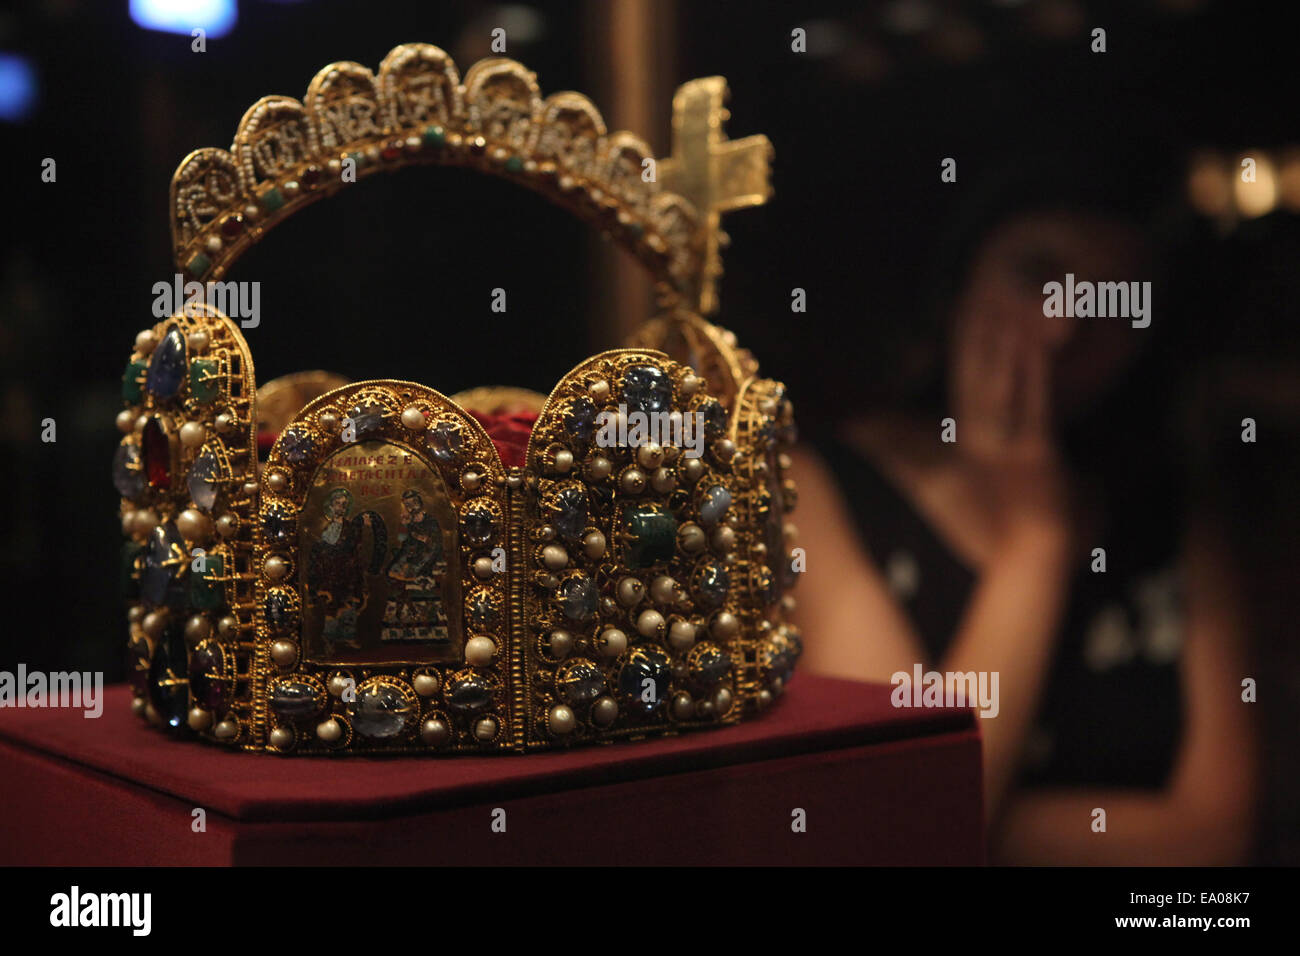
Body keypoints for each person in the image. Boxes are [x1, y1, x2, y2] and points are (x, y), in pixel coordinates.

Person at [790, 168, 1257, 864]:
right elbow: (901, 826)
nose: (1065, 327)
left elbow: (1216, 841)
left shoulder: (1167, 512)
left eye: (1109, 301)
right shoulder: (817, 488)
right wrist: (1035, 541)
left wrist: (990, 824)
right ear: (956, 282)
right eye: (1038, 275)